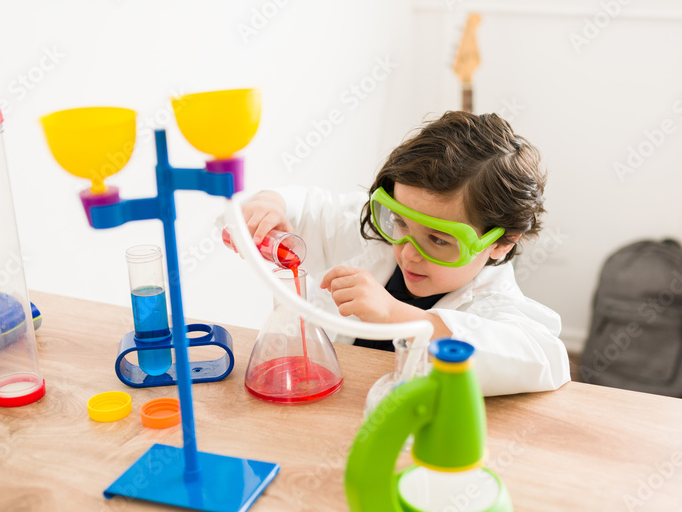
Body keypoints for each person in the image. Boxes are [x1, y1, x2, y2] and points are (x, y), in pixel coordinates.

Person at [222, 111, 569, 396]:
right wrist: (270, 205)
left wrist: (394, 314)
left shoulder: (495, 302)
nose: (408, 253)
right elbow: (312, 208)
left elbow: (545, 361)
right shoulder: (378, 234)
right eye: (401, 223)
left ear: (502, 242)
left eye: (438, 240)